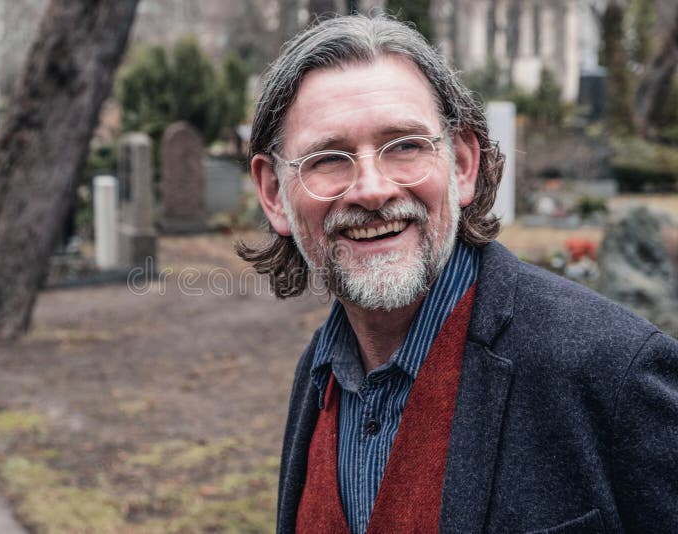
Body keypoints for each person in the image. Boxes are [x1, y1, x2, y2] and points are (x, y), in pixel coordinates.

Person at [236, 14, 678, 534]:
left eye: (405, 146)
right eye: (329, 158)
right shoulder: (318, 374)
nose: (372, 189)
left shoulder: (614, 373)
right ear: (273, 194)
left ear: (464, 163)